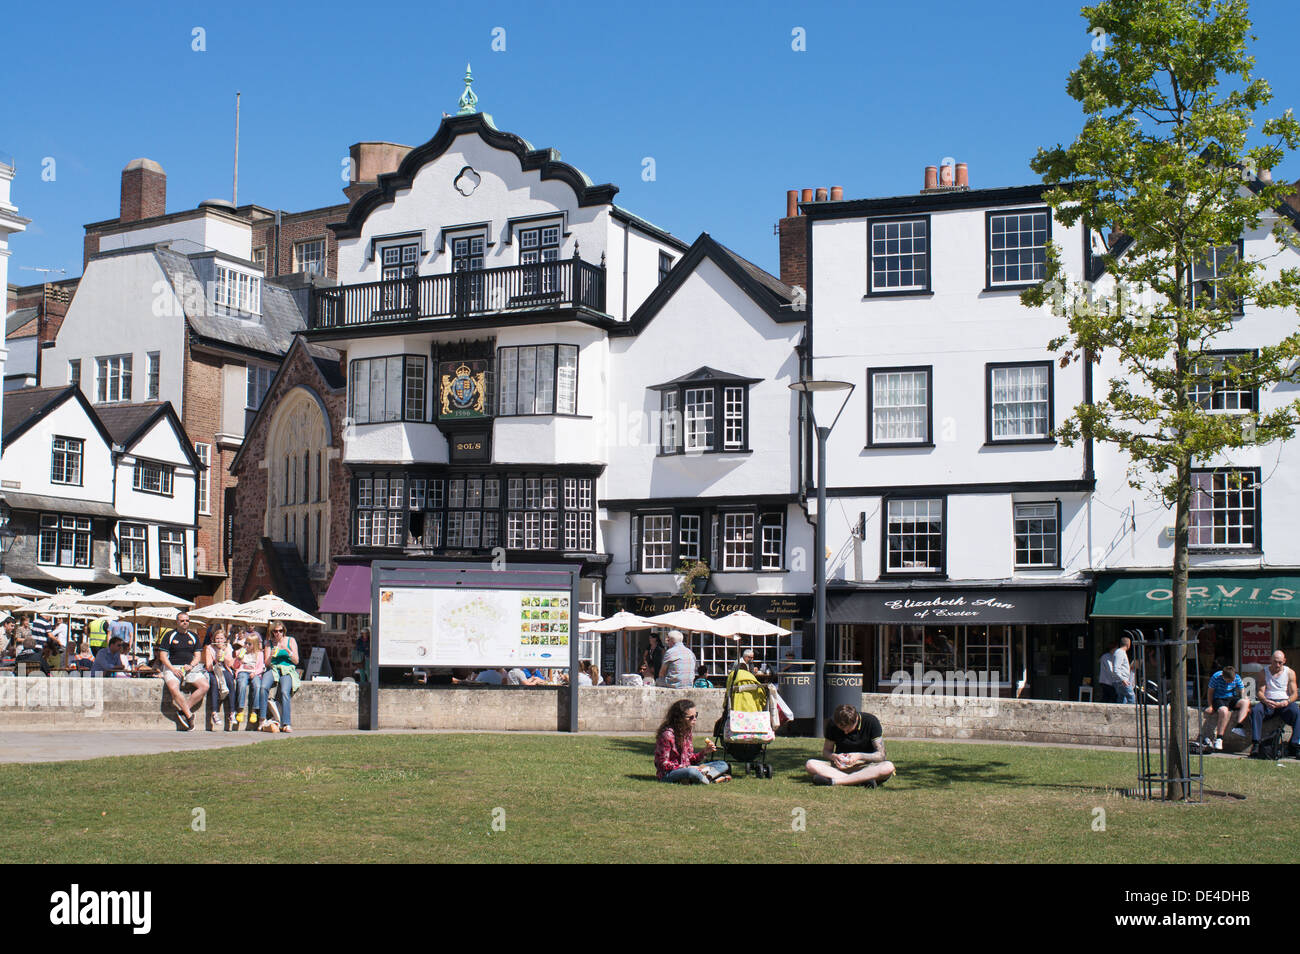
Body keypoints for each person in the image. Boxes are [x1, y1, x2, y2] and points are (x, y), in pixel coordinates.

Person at [806, 703, 896, 787]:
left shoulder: (871, 722)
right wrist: (834, 757)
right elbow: (826, 751)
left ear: (856, 720)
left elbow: (881, 755)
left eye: (848, 729)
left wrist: (859, 756)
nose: (845, 732)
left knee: (888, 767)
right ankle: (860, 781)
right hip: (841, 767)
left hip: (866, 766)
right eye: (841, 729)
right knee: (810, 764)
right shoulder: (832, 724)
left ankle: (834, 781)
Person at [654, 699, 730, 784]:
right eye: (690, 717)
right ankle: (709, 779)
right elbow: (662, 764)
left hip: (689, 768)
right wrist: (687, 767)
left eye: (696, 715)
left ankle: (700, 778)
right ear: (679, 718)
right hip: (669, 773)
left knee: (722, 764)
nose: (694, 719)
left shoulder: (687, 732)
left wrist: (704, 752)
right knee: (691, 772)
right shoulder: (667, 735)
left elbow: (690, 759)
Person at [158, 611, 208, 730]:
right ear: (177, 622)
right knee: (173, 688)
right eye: (182, 620)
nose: (185, 623)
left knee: (205, 686)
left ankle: (183, 711)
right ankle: (189, 716)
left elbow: (197, 657)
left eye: (187, 620)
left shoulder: (193, 636)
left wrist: (190, 666)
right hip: (173, 667)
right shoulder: (169, 635)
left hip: (189, 667)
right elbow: (163, 657)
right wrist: (173, 669)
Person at [1250, 651, 1300, 758]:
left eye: (1280, 663)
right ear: (1270, 660)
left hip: (1284, 703)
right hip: (1269, 702)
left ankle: (1295, 745)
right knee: (1256, 710)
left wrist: (1286, 702)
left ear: (1284, 661)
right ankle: (1256, 744)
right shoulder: (1263, 672)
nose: (1277, 665)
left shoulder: (1290, 672)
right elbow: (1259, 692)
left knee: (1297, 712)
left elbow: (1294, 693)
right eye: (1275, 662)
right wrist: (1265, 700)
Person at [259, 624, 299, 733]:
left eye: (280, 631)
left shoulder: (290, 641)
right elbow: (267, 663)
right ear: (272, 632)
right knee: (263, 687)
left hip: (287, 669)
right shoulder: (269, 643)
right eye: (275, 631)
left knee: (285, 692)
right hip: (274, 668)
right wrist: (271, 655)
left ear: (283, 631)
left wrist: (287, 650)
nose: (278, 633)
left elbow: (296, 661)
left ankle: (286, 723)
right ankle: (262, 719)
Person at [1204, 663, 1250, 751]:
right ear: (1223, 676)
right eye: (1228, 681)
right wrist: (1210, 705)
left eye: (1232, 681)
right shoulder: (1216, 677)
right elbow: (1210, 692)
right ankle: (1219, 738)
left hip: (1231, 697)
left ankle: (1239, 726)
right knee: (1224, 711)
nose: (1231, 682)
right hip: (1219, 698)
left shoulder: (1236, 677)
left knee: (1245, 702)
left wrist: (1245, 699)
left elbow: (1242, 690)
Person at [204, 627, 236, 731]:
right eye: (217, 638)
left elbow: (231, 664)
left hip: (224, 669)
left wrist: (223, 654)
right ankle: (214, 712)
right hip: (214, 669)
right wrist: (216, 659)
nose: (219, 641)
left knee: (231, 681)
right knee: (214, 683)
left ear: (225, 639)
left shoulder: (228, 647)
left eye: (221, 638)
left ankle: (232, 712)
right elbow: (208, 666)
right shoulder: (209, 648)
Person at [232, 633, 265, 727]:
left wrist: (255, 673)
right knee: (241, 684)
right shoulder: (241, 652)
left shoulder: (259, 654)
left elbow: (261, 667)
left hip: (254, 672)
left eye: (249, 644)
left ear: (254, 645)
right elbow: (235, 666)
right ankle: (240, 709)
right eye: (246, 643)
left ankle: (254, 711)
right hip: (243, 671)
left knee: (257, 686)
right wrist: (238, 659)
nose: (246, 645)